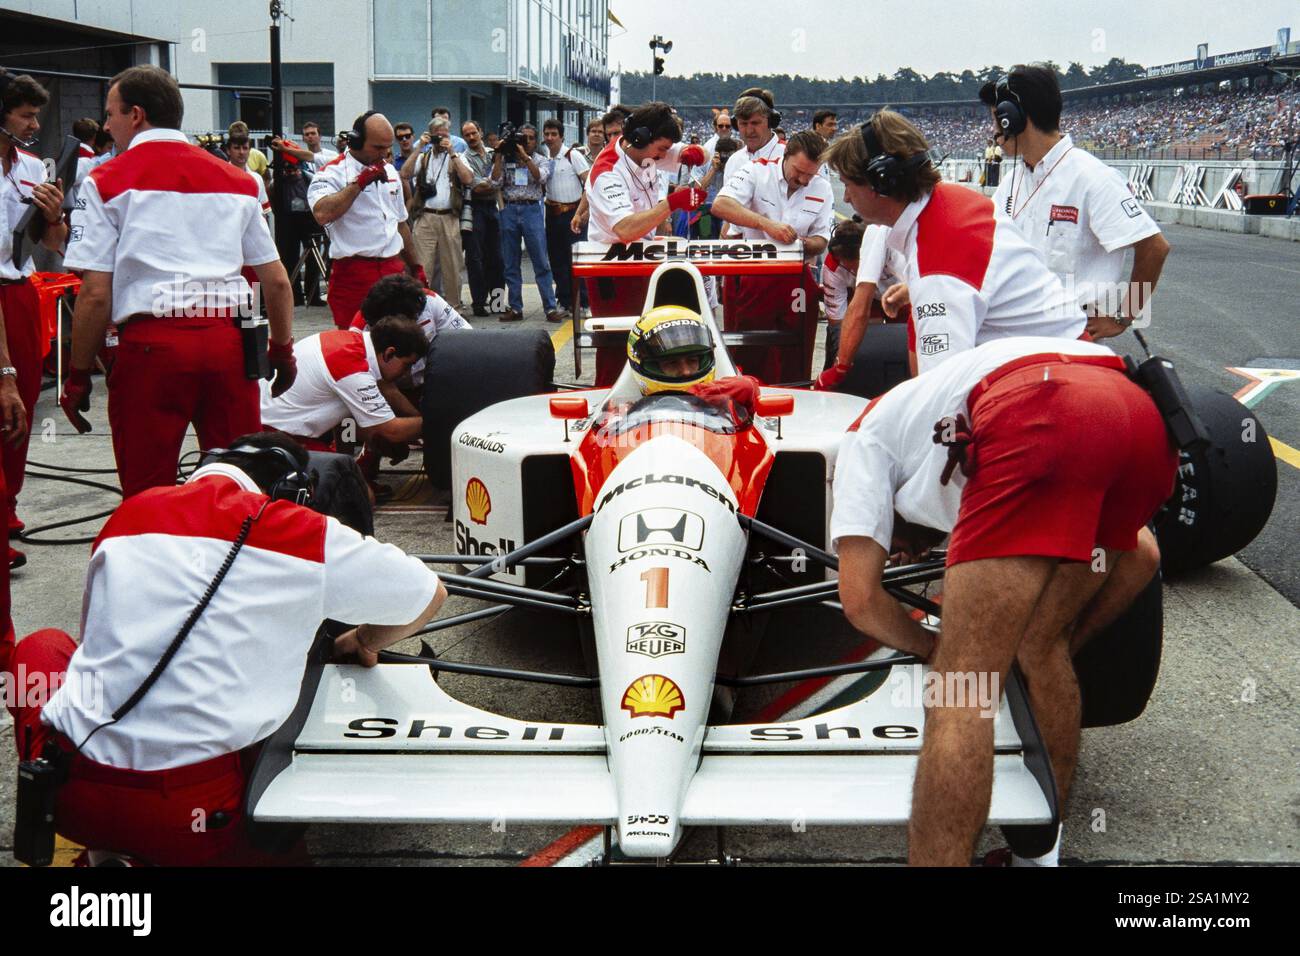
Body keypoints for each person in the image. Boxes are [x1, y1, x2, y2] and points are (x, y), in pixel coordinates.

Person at [4, 431, 447, 865]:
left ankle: (107, 850)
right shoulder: (299, 529)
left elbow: (96, 645)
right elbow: (429, 593)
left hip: (71, 796)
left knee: (41, 648)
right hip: (195, 816)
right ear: (290, 491)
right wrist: (361, 640)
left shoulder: (128, 516)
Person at [831, 336, 1178, 866]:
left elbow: (859, 600)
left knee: (964, 688)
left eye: (896, 548)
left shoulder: (862, 440)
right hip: (1141, 420)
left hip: (1038, 415)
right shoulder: (927, 406)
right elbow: (1141, 555)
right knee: (1042, 645)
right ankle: (1039, 859)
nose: (903, 554)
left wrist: (935, 648)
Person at [58, 66, 297, 500]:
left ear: (136, 115)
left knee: (147, 492)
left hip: (153, 346)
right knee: (240, 487)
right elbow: (276, 282)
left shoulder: (106, 181)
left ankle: (156, 562)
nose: (106, 124)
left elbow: (94, 294)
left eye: (110, 114)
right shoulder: (240, 182)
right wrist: (282, 349)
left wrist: (76, 375)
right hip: (228, 342)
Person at [819, 109, 1083, 382]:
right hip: (1063, 365)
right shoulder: (947, 204)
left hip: (1058, 384)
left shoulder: (938, 264)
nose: (847, 197)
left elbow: (942, 396)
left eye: (848, 184)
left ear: (882, 181)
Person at [981, 65, 1170, 340]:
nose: (994, 131)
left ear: (1015, 119)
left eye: (997, 121)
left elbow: (1154, 247)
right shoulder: (1013, 180)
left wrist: (1123, 316)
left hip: (1069, 338)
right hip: (1015, 334)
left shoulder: (1092, 178)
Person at [578, 102, 707, 384]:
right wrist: (671, 203)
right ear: (639, 139)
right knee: (616, 347)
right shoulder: (607, 172)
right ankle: (609, 405)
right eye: (660, 149)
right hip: (611, 269)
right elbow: (625, 229)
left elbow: (681, 152)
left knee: (654, 342)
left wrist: (693, 153)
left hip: (643, 261)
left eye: (665, 150)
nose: (663, 156)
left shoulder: (645, 148)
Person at [0, 70, 68, 572]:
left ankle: (9, 507)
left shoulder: (29, 169)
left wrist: (55, 215)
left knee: (19, 408)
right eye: (24, 115)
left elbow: (53, 245)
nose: (33, 123)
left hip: (20, 292)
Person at [711, 129, 833, 383]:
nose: (804, 180)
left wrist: (803, 244)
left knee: (797, 354)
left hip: (796, 277)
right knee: (750, 352)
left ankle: (796, 397)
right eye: (798, 172)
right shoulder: (756, 171)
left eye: (810, 174)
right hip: (754, 273)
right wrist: (766, 225)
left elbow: (822, 239)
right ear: (785, 156)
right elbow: (721, 205)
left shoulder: (822, 186)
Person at [308, 111, 425, 329]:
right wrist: (359, 183)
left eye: (388, 147)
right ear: (356, 141)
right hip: (352, 275)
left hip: (393, 271)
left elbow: (400, 223)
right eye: (378, 148)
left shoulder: (390, 171)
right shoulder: (330, 173)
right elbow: (322, 213)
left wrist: (416, 267)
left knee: (401, 342)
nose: (385, 153)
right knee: (356, 346)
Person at [260, 315, 427, 452]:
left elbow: (344, 422)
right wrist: (436, 422)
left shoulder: (354, 342)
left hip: (273, 422)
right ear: (389, 353)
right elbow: (390, 431)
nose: (408, 372)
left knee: (351, 463)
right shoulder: (354, 370)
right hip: (277, 434)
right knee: (356, 489)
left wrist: (345, 459)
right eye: (408, 364)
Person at [346, 272, 472, 388]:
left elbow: (467, 342)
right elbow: (378, 386)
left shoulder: (429, 301)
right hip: (386, 389)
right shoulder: (360, 329)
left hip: (435, 379)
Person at [492, 123, 564, 323]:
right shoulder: (506, 159)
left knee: (541, 261)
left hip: (532, 209)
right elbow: (495, 182)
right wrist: (498, 154)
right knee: (511, 262)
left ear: (535, 140)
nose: (527, 142)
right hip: (509, 209)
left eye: (531, 138)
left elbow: (540, 178)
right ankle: (516, 307)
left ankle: (550, 307)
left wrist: (525, 157)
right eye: (523, 138)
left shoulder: (542, 160)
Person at [402, 118, 473, 311]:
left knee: (452, 265)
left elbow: (468, 179)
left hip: (450, 216)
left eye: (445, 135)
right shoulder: (423, 157)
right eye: (438, 135)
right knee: (423, 266)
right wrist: (419, 148)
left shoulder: (457, 156)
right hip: (425, 217)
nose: (441, 139)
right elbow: (405, 173)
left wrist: (451, 152)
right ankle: (424, 308)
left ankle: (454, 307)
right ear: (430, 134)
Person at [542, 117, 590, 320]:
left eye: (554, 134)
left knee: (577, 260)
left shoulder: (573, 155)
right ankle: (565, 301)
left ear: (562, 136)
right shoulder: (544, 158)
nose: (550, 138)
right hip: (552, 215)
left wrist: (583, 212)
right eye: (547, 134)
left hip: (573, 215)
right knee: (557, 261)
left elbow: (589, 184)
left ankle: (585, 303)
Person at [460, 121, 504, 317]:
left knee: (497, 258)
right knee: (475, 258)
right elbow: (476, 187)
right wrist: (495, 183)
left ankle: (497, 303)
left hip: (493, 209)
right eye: (466, 135)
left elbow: (498, 181)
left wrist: (493, 183)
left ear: (481, 132)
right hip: (474, 209)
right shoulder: (464, 158)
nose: (471, 137)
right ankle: (479, 303)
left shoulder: (494, 153)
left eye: (473, 133)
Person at [819, 219, 863, 373]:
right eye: (843, 260)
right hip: (853, 292)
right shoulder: (833, 265)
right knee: (839, 335)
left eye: (853, 261)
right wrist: (840, 365)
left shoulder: (894, 256)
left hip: (891, 289)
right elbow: (837, 322)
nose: (848, 266)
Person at [724, 89, 785, 187]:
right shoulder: (733, 161)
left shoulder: (789, 156)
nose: (749, 131)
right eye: (743, 124)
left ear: (771, 121)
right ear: (736, 124)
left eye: (755, 123)